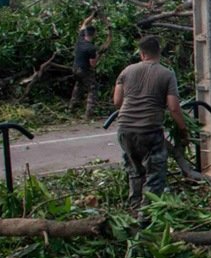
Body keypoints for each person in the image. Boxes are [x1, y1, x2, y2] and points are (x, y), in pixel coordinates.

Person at [113, 36, 190, 208]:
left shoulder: (126, 71)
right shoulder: (167, 74)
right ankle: (146, 216)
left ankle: (134, 208)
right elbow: (174, 108)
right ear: (159, 53)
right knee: (155, 174)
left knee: (134, 170)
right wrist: (183, 130)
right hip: (149, 130)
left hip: (124, 129)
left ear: (142, 54)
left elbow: (117, 101)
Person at [70, 26, 99, 118]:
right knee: (93, 88)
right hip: (84, 70)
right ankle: (89, 113)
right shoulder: (91, 48)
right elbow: (93, 64)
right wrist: (97, 57)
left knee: (79, 85)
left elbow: (84, 24)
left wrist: (92, 15)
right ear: (94, 34)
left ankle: (71, 108)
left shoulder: (80, 40)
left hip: (75, 69)